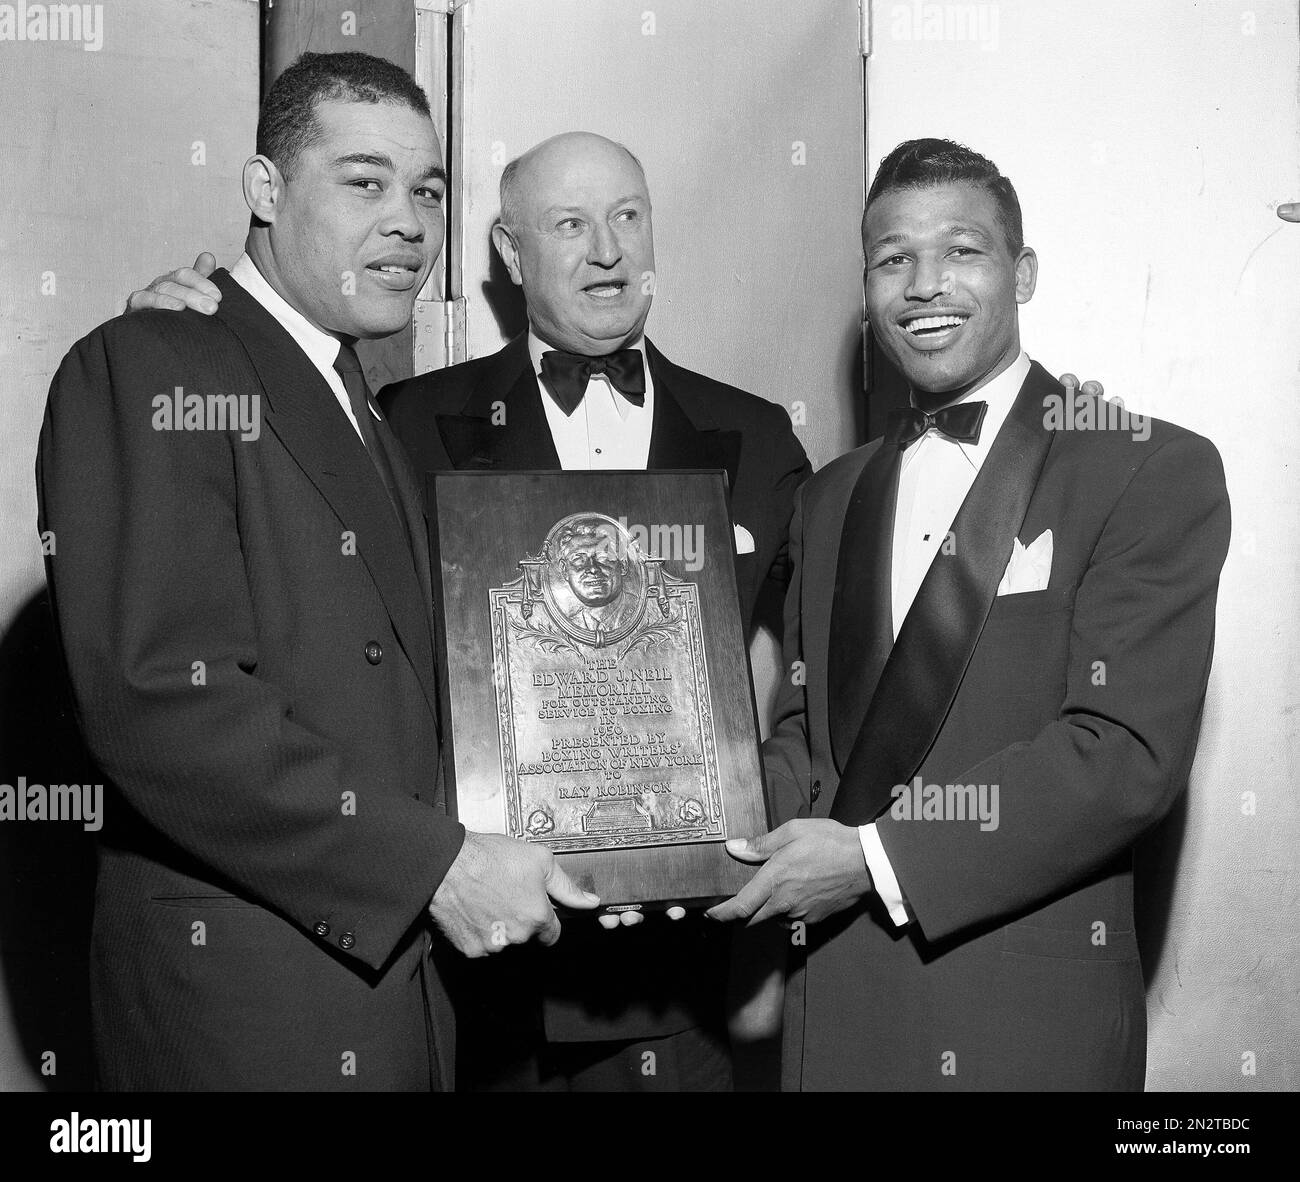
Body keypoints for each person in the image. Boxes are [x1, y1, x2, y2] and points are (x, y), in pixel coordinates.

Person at [37, 51, 595, 1092]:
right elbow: (162, 699)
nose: (409, 223)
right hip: (253, 1003)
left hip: (397, 994)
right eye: (364, 181)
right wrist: (433, 866)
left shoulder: (364, 410)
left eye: (427, 191)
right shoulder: (155, 362)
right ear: (262, 189)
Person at [708, 138, 1230, 1091]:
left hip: (1021, 1026)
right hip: (831, 1020)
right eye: (892, 259)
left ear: (1022, 273)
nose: (924, 284)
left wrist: (873, 861)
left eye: (962, 250)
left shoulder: (1147, 468)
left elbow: (1123, 755)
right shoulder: (827, 497)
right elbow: (807, 740)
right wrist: (686, 836)